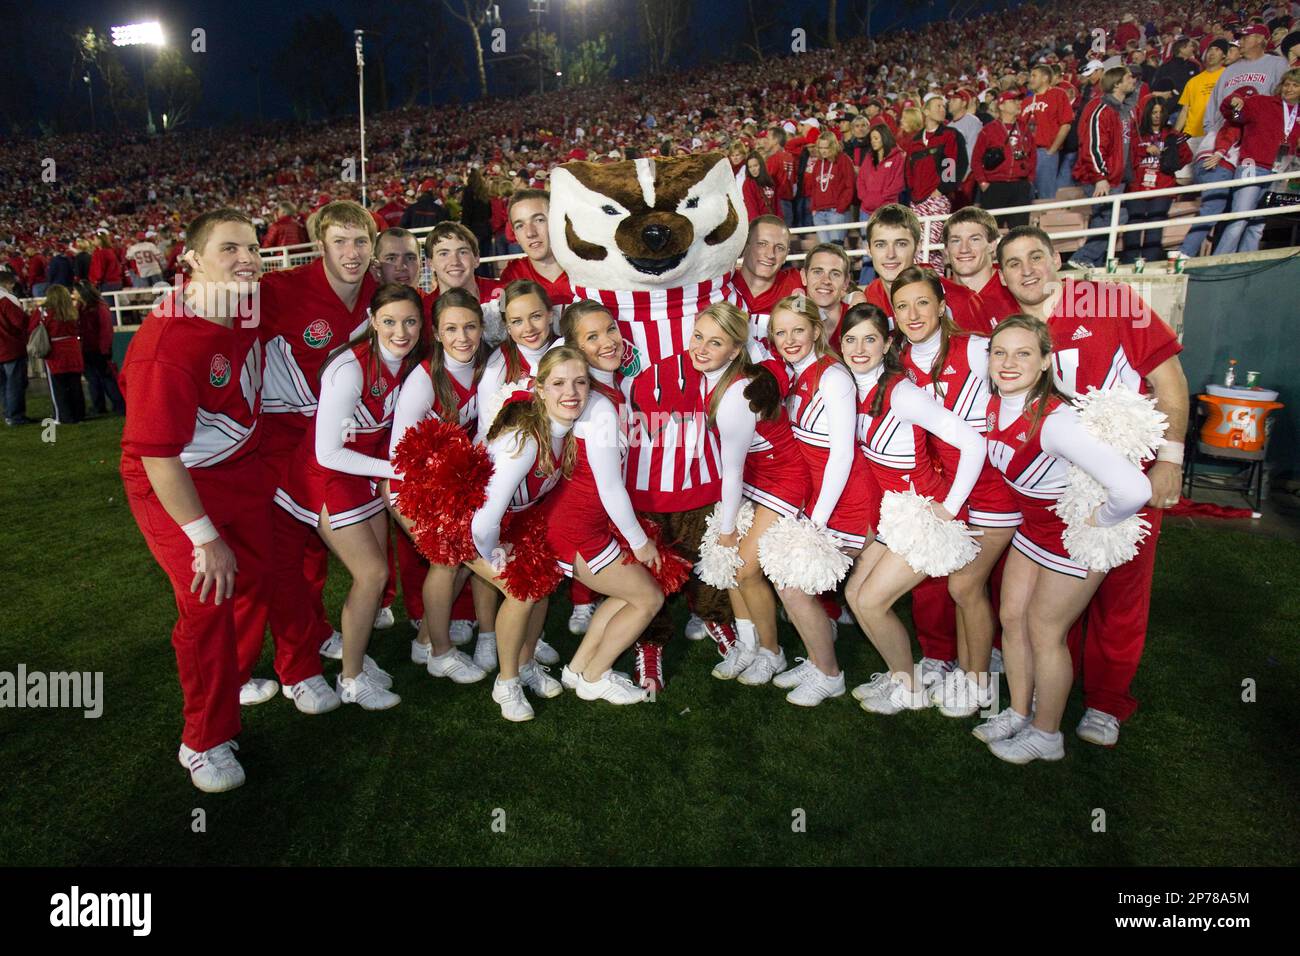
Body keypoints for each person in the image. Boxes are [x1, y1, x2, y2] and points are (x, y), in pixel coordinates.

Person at [998, 225, 1188, 747]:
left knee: (1121, 596)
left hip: (1120, 476)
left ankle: (1106, 700)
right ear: (1003, 275)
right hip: (1052, 483)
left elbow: (1169, 378)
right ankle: (1044, 698)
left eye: (1036, 256)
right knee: (1051, 605)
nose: (1028, 269)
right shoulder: (1012, 328)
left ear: (1056, 258)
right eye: (1013, 263)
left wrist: (1170, 458)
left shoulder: (1110, 302)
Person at [118, 208, 274, 792]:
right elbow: (158, 457)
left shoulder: (244, 303)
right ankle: (202, 740)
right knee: (208, 596)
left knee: (253, 577)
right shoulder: (167, 343)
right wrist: (204, 537)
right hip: (173, 481)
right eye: (229, 249)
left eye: (253, 248)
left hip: (233, 470)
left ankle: (230, 681)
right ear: (190, 261)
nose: (247, 260)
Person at [973, 315, 1152, 763]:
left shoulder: (1056, 422)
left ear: (1046, 361)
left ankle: (1047, 734)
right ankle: (1019, 709)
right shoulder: (997, 402)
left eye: (1023, 354)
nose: (1009, 363)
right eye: (1000, 353)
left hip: (1073, 537)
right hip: (1033, 530)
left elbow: (1135, 489)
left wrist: (1099, 517)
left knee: (1045, 631)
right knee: (1011, 617)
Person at [275, 283, 427, 710]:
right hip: (327, 474)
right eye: (391, 321)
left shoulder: (410, 360)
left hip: (365, 469)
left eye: (411, 321)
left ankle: (358, 660)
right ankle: (352, 679)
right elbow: (328, 451)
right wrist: (398, 472)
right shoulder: (351, 366)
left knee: (379, 573)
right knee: (372, 575)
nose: (402, 331)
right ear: (373, 321)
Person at [840, 303, 987, 715]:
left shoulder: (902, 392)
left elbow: (973, 442)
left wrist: (950, 507)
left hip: (923, 515)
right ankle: (899, 676)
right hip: (895, 515)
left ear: (888, 343)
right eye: (850, 339)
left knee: (870, 602)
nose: (859, 347)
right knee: (854, 593)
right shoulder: (852, 388)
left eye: (870, 338)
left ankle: (910, 689)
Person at [259, 200, 380, 686]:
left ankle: (318, 630)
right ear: (320, 245)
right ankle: (296, 669)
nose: (351, 253)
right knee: (286, 558)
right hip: (281, 441)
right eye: (340, 242)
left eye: (360, 241)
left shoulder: (380, 292)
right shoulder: (279, 290)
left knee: (315, 557)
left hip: (343, 441)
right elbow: (215, 331)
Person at [549, 300, 665, 704]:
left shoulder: (604, 390)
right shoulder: (597, 403)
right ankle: (596, 677)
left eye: (610, 329)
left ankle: (578, 668)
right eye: (592, 336)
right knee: (649, 598)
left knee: (624, 593)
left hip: (581, 522)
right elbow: (609, 486)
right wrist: (639, 542)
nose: (608, 341)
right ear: (575, 347)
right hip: (579, 525)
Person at [766, 295, 877, 706]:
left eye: (799, 329)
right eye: (781, 332)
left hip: (847, 499)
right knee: (784, 579)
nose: (790, 339)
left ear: (817, 330)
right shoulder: (794, 375)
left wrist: (816, 520)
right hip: (814, 498)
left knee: (793, 585)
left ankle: (829, 673)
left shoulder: (833, 377)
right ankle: (817, 659)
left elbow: (843, 453)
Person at [470, 347, 591, 721]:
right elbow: (482, 519)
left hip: (511, 521)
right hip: (469, 523)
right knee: (522, 591)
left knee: (543, 579)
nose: (570, 392)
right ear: (540, 389)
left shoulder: (566, 429)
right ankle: (505, 684)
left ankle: (524, 663)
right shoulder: (523, 442)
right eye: (558, 383)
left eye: (580, 382)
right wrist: (498, 561)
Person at [697, 303, 809, 687]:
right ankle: (746, 645)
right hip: (755, 478)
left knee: (743, 566)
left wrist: (728, 529)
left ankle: (771, 653)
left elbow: (732, 469)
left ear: (734, 351)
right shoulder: (712, 376)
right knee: (726, 562)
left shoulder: (735, 394)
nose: (701, 348)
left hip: (783, 478)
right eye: (698, 337)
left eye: (715, 343)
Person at [389, 288, 493, 682]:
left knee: (463, 562)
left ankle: (423, 641)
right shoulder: (424, 377)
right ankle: (442, 653)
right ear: (436, 333)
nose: (462, 337)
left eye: (469, 327)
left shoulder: (486, 365)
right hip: (410, 484)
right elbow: (402, 452)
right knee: (447, 560)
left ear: (482, 328)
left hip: (452, 483)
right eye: (451, 329)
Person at [860, 204, 990, 332]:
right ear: (869, 250)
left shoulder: (962, 300)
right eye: (880, 245)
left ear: (917, 248)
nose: (890, 254)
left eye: (901, 244)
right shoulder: (869, 296)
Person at [1214, 69, 1300, 254]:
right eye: (1287, 84)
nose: (1289, 88)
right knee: (1240, 219)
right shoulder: (1262, 102)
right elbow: (1233, 115)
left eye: (1295, 85)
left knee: (1258, 225)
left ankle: (1246, 266)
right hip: (1253, 167)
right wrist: (1233, 101)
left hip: (1282, 173)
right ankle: (1218, 263)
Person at [1067, 67, 1138, 270]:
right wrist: (1100, 177)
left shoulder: (1122, 109)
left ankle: (1091, 263)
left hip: (1115, 176)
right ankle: (1083, 256)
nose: (1133, 80)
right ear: (1117, 83)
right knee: (1116, 216)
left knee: (1101, 219)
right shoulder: (1102, 109)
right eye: (1128, 77)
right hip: (1101, 176)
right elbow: (1094, 145)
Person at [897, 97, 964, 269]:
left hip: (937, 199)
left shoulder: (950, 135)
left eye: (944, 105)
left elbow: (953, 162)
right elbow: (908, 171)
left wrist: (941, 190)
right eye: (938, 106)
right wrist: (912, 193)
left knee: (929, 244)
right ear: (926, 111)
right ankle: (934, 281)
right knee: (920, 247)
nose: (943, 109)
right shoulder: (915, 142)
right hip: (917, 201)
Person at [1126, 98, 1193, 262]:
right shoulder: (1137, 135)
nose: (1157, 116)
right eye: (1154, 112)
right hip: (1138, 186)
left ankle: (1151, 262)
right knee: (1134, 223)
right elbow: (1128, 159)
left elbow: (1186, 156)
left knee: (1156, 223)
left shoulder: (1172, 135)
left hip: (1163, 186)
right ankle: (1129, 262)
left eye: (1160, 112)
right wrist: (1144, 151)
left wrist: (1170, 158)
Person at [729, 215, 804, 341]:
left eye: (780, 248)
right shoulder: (722, 283)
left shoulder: (797, 281)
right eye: (762, 244)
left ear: (786, 254)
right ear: (745, 246)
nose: (770, 254)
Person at [498, 189, 575, 307]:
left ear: (557, 221)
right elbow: (502, 315)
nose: (530, 233)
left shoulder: (586, 268)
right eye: (520, 226)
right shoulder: (512, 276)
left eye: (539, 220)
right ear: (516, 236)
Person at [943, 206, 1020, 323]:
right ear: (946, 250)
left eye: (974, 239)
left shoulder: (1016, 285)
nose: (964, 249)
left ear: (992, 245)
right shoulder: (938, 293)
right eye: (956, 241)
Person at [973, 90, 1037, 228]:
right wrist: (983, 183)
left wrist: (1029, 181)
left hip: (1020, 186)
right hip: (995, 186)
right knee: (991, 231)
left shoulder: (1024, 128)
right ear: (1001, 106)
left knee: (1020, 230)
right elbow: (976, 159)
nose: (1018, 104)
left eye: (1018, 100)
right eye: (1013, 101)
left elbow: (1032, 155)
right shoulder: (989, 130)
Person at [34, 286, 85, 425]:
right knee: (75, 384)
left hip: (55, 350)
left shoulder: (45, 312)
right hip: (73, 348)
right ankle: (78, 414)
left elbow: (33, 326)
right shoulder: (73, 311)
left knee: (58, 386)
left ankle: (62, 416)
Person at [72, 281, 125, 416]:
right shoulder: (81, 307)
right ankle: (99, 405)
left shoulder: (99, 307)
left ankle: (119, 405)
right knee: (93, 379)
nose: (73, 294)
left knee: (106, 378)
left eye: (75, 291)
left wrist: (104, 349)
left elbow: (105, 330)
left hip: (98, 348)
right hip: (86, 348)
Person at [855, 123, 906, 252]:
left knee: (886, 249)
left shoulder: (897, 157)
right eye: (872, 138)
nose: (873, 142)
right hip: (866, 210)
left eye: (876, 138)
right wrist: (865, 197)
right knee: (867, 251)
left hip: (887, 209)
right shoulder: (868, 157)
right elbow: (860, 179)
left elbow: (898, 183)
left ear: (884, 137)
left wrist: (880, 198)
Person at [801, 242, 863, 349]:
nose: (826, 281)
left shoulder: (858, 317)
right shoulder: (792, 315)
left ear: (846, 282)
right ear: (804, 277)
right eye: (817, 272)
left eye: (835, 274)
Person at [804, 132, 856, 246]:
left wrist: (840, 208)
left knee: (836, 249)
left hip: (836, 212)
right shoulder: (818, 163)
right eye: (820, 147)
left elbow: (850, 186)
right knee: (825, 250)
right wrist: (814, 208)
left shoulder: (843, 160)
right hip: (819, 213)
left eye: (826, 147)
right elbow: (813, 187)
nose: (823, 151)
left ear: (832, 146)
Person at [0, 270, 35, 425]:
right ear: (9, 283)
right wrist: (30, 315)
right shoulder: (7, 300)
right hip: (10, 347)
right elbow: (19, 323)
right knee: (15, 383)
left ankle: (8, 414)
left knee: (3, 385)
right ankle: (15, 416)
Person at [742, 150, 781, 221]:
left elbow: (777, 204)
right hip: (759, 223)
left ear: (761, 165)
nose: (753, 169)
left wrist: (779, 221)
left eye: (755, 165)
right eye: (750, 167)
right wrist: (758, 225)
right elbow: (751, 208)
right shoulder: (748, 184)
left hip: (773, 221)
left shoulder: (771, 180)